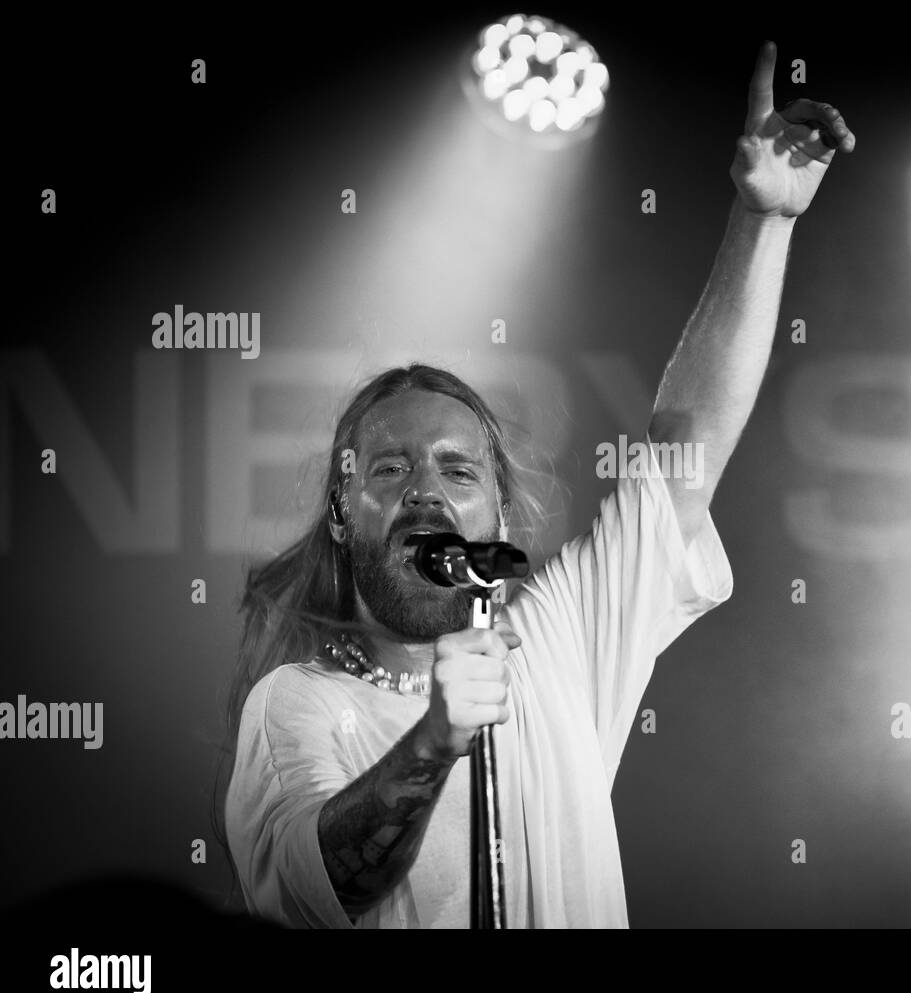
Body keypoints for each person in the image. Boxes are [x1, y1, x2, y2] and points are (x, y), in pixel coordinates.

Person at [220, 40, 854, 928]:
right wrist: (437, 739)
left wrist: (765, 223)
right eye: (392, 468)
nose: (425, 492)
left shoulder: (557, 636)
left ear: (499, 512)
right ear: (339, 508)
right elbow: (322, 885)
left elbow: (683, 450)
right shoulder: (298, 704)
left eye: (457, 469)